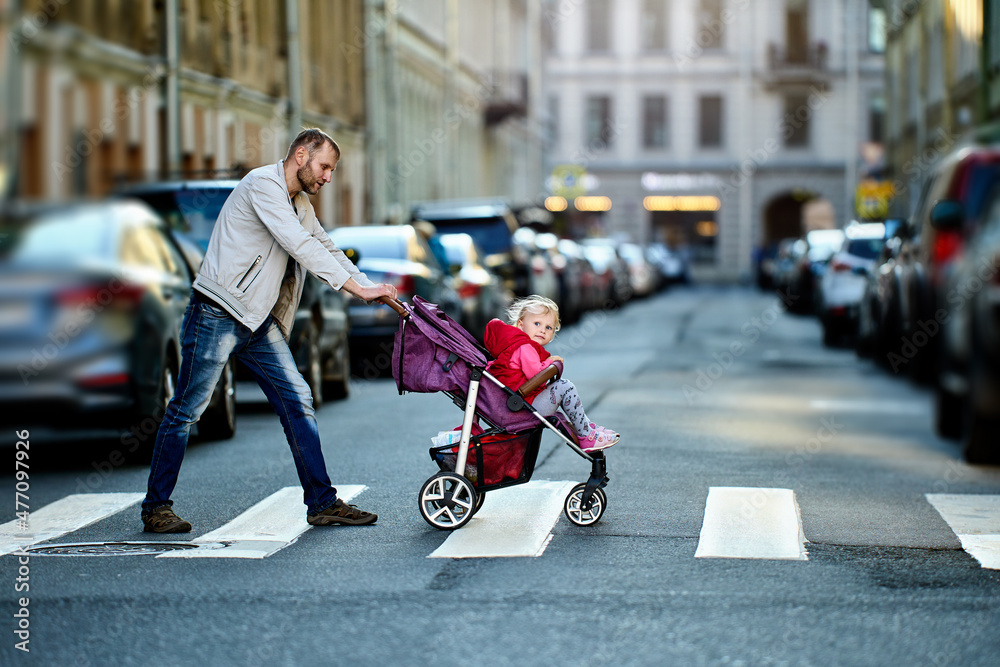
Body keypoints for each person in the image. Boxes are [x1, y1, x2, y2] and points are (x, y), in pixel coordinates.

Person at [141, 128, 397, 533]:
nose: (328, 177)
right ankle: (156, 507)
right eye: (325, 166)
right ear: (300, 155)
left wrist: (367, 287)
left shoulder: (299, 202)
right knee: (187, 410)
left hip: (257, 321)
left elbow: (325, 246)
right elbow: (298, 244)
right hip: (218, 312)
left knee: (298, 400)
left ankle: (322, 502)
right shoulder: (263, 185)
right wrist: (357, 289)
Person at [483, 296, 619, 453]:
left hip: (520, 403)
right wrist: (550, 362)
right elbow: (537, 377)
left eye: (549, 328)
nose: (542, 330)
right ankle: (586, 435)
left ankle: (586, 428)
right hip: (522, 408)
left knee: (560, 408)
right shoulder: (525, 347)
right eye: (537, 324)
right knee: (564, 387)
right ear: (521, 324)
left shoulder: (517, 345)